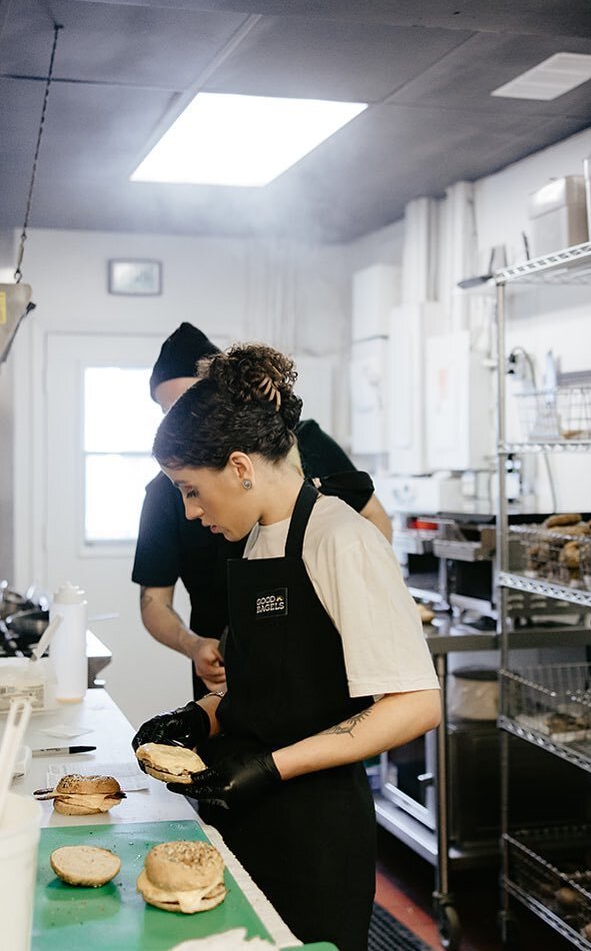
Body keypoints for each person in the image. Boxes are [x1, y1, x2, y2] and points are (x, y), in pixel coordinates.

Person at [131, 342, 440, 950]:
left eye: (192, 490)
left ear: (241, 467)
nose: (190, 512)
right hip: (245, 810)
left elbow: (416, 704)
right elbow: (258, 685)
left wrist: (271, 767)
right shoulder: (250, 542)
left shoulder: (340, 539)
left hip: (316, 830)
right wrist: (196, 718)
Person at [133, 321, 393, 698]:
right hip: (226, 670)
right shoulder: (164, 494)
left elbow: (373, 518)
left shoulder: (306, 456)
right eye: (167, 410)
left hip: (315, 672)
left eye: (188, 404)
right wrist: (194, 646)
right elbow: (153, 600)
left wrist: (359, 597)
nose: (179, 420)